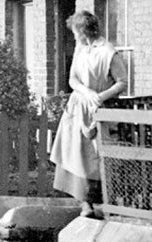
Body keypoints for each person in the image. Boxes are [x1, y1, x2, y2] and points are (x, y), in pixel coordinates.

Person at [49, 11, 129, 217]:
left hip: (99, 109)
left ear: (84, 31)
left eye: (76, 32)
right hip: (78, 106)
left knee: (95, 156)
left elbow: (122, 82)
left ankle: (103, 204)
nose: (74, 36)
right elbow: (73, 80)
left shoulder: (108, 52)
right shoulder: (80, 49)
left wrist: (100, 96)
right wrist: (87, 92)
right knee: (73, 153)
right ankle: (84, 204)